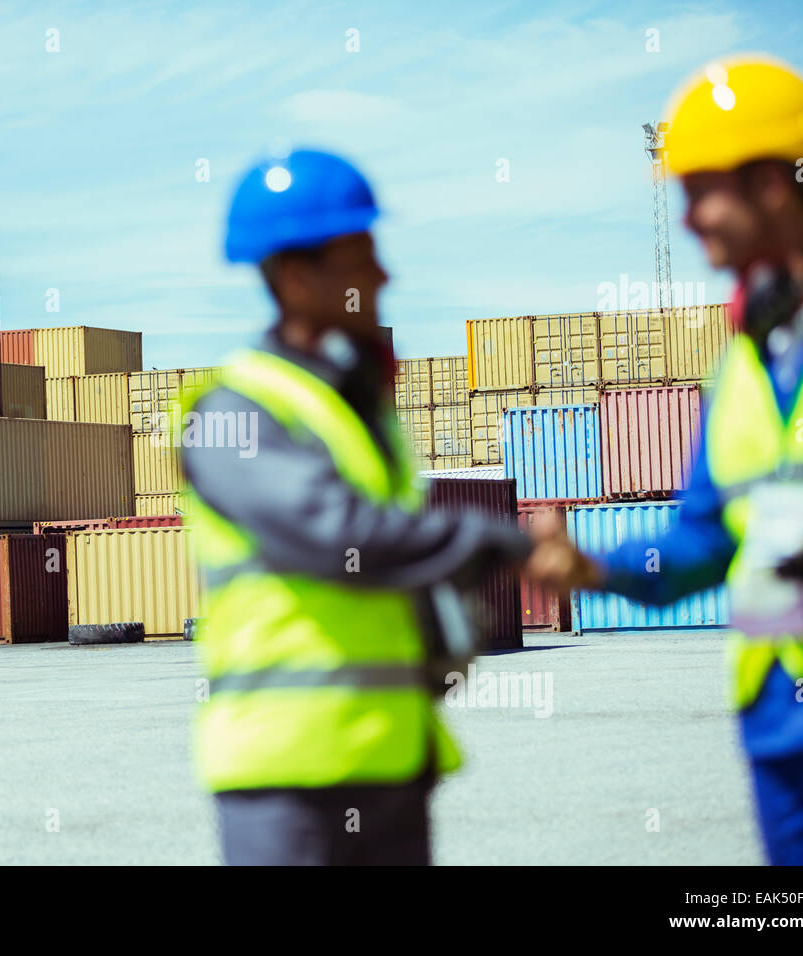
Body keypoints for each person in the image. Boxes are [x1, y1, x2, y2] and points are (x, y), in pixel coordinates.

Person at [526, 55, 803, 865]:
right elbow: (702, 542)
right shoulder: (741, 367)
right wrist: (591, 569)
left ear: (775, 182)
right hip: (781, 727)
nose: (688, 220)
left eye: (700, 191)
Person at [178, 148, 529, 866]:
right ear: (298, 274)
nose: (384, 274)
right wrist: (502, 542)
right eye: (361, 253)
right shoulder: (233, 413)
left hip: (392, 761)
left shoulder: (358, 410)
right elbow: (341, 537)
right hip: (288, 780)